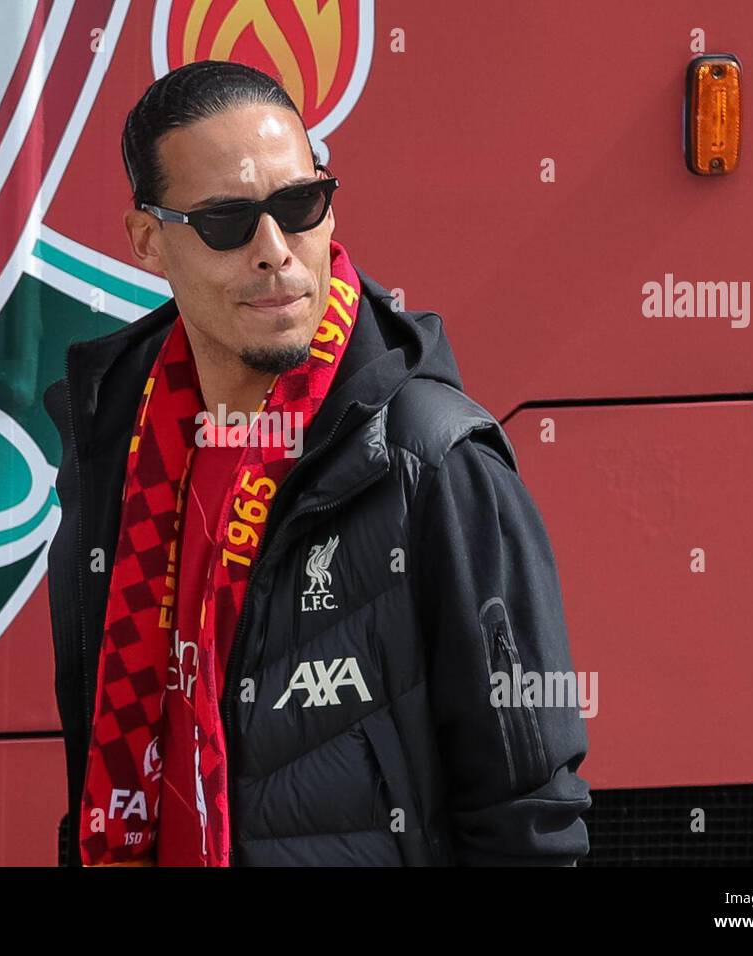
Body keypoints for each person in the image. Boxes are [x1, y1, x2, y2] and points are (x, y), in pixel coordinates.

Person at [42, 59, 591, 867]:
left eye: (299, 206)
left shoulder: (433, 459)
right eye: (229, 221)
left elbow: (531, 819)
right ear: (149, 243)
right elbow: (100, 754)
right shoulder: (112, 442)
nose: (275, 252)